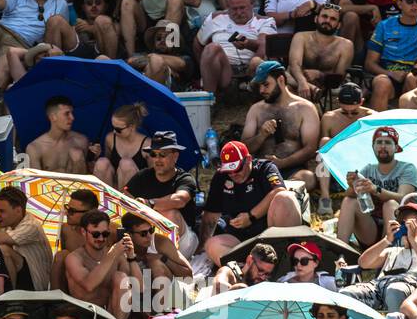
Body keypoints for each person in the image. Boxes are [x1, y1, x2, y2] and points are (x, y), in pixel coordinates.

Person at [201, 140, 303, 267]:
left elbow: (279, 190)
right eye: (228, 171)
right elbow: (210, 215)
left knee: (284, 198)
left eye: (237, 169)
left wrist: (251, 216)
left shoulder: (265, 168)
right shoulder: (220, 177)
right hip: (242, 239)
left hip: (272, 233)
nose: (233, 175)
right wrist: (200, 247)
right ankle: (247, 271)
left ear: (248, 159)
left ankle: (286, 262)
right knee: (211, 245)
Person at [241, 60, 320, 202]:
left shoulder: (305, 108)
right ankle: (279, 195)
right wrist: (261, 135)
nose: (261, 90)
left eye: (266, 85)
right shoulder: (256, 110)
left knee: (308, 178)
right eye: (259, 86)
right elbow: (244, 148)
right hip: (261, 169)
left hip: (293, 170)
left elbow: (310, 148)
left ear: (281, 80)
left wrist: (283, 163)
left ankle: (275, 196)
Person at [337, 125, 417, 249]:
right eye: (379, 142)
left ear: (396, 148)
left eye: (387, 143)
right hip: (371, 229)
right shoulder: (368, 169)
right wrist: (352, 185)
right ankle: (339, 252)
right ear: (373, 147)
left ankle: (385, 255)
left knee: (390, 204)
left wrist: (376, 190)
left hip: (400, 227)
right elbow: (348, 195)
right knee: (349, 201)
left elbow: (403, 198)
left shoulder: (407, 168)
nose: (382, 146)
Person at [125, 131, 198, 261]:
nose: (157, 160)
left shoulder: (185, 178)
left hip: (183, 239)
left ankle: (165, 261)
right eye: (153, 154)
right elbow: (125, 197)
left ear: (175, 156)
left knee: (170, 213)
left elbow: (180, 200)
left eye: (162, 155)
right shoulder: (143, 176)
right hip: (149, 236)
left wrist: (149, 204)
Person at [193, 0, 276, 95]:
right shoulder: (215, 17)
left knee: (257, 59)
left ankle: (249, 89)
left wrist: (247, 44)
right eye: (234, 9)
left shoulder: (265, 21)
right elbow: (197, 44)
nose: (239, 12)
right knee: (211, 48)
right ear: (228, 7)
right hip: (224, 68)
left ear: (252, 4)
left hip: (251, 69)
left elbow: (264, 46)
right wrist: (206, 68)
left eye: (242, 8)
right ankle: (209, 100)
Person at [64, 209, 138, 319]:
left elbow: (140, 288)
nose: (101, 238)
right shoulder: (74, 258)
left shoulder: (117, 255)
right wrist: (112, 254)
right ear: (83, 232)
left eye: (105, 234)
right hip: (85, 317)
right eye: (95, 234)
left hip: (112, 316)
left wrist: (131, 256)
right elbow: (89, 285)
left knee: (121, 277)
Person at [26, 96, 91, 174]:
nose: (72, 117)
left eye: (72, 113)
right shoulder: (35, 148)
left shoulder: (81, 141)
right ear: (53, 117)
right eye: (67, 114)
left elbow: (89, 174)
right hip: (48, 185)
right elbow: (35, 181)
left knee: (77, 153)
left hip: (78, 185)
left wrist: (91, 157)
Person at [93, 103, 150, 191]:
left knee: (126, 163)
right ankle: (103, 200)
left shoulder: (147, 144)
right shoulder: (110, 138)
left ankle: (124, 203)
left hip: (136, 190)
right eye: (113, 127)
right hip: (113, 187)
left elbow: (153, 175)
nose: (114, 131)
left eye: (118, 129)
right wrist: (95, 156)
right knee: (102, 162)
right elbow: (108, 167)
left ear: (132, 127)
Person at [210, 242, 278, 295]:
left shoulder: (265, 284)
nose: (263, 278)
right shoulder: (229, 272)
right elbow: (218, 283)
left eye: (267, 274)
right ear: (249, 261)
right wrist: (237, 291)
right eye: (260, 270)